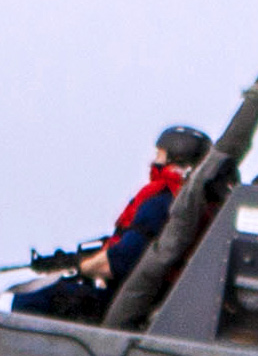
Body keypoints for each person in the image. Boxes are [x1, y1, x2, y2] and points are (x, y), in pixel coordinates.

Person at [13, 125, 210, 321]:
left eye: (159, 154)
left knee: (30, 298)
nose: (153, 161)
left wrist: (76, 266)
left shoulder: (161, 202)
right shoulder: (192, 205)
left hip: (128, 303)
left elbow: (120, 261)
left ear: (175, 159)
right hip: (158, 300)